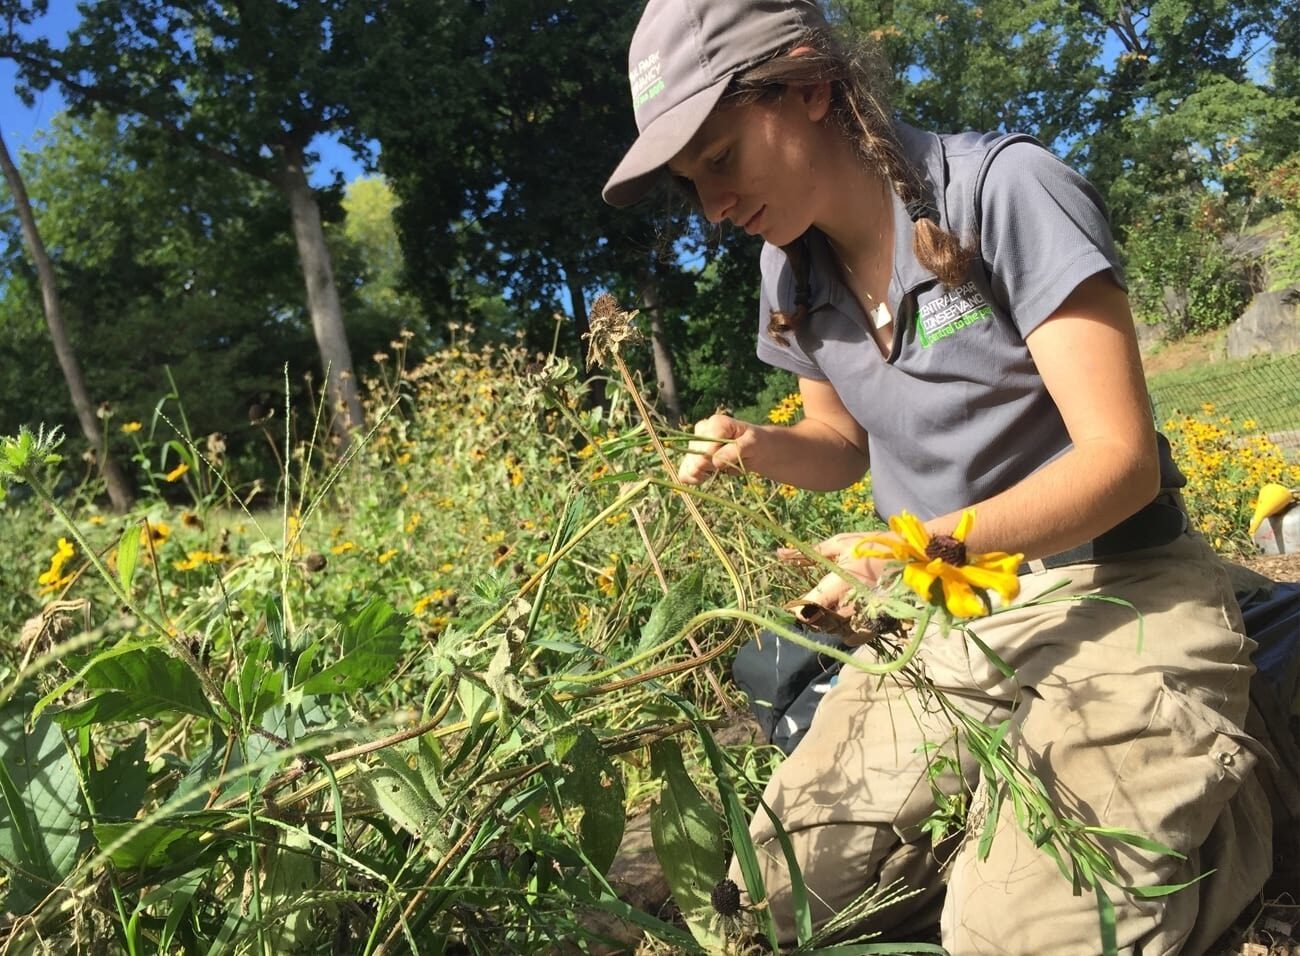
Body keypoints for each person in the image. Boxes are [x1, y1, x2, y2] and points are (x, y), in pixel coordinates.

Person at [602, 1, 1274, 953]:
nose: (712, 203)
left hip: (1112, 588)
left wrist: (913, 546)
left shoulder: (1005, 190)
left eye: (719, 158)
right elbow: (841, 444)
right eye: (689, 181)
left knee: (1017, 941)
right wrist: (756, 441)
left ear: (810, 86)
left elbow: (1120, 463)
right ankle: (1005, 810)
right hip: (944, 621)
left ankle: (1241, 803)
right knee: (763, 914)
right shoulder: (786, 271)